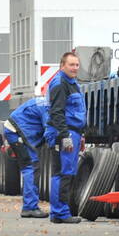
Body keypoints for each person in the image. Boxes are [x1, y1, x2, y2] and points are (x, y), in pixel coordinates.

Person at [44, 51, 86, 224]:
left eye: (77, 65)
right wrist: (65, 135)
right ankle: (60, 213)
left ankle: (59, 212)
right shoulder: (60, 84)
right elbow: (57, 112)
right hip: (65, 133)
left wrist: (80, 134)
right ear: (62, 66)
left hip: (72, 132)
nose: (75, 68)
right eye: (71, 65)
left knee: (64, 172)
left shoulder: (72, 83)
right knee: (63, 173)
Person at [3, 95, 49, 218]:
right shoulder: (47, 107)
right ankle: (30, 207)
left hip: (14, 130)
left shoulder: (44, 101)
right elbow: (49, 128)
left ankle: (29, 206)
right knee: (31, 167)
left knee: (30, 167)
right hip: (17, 132)